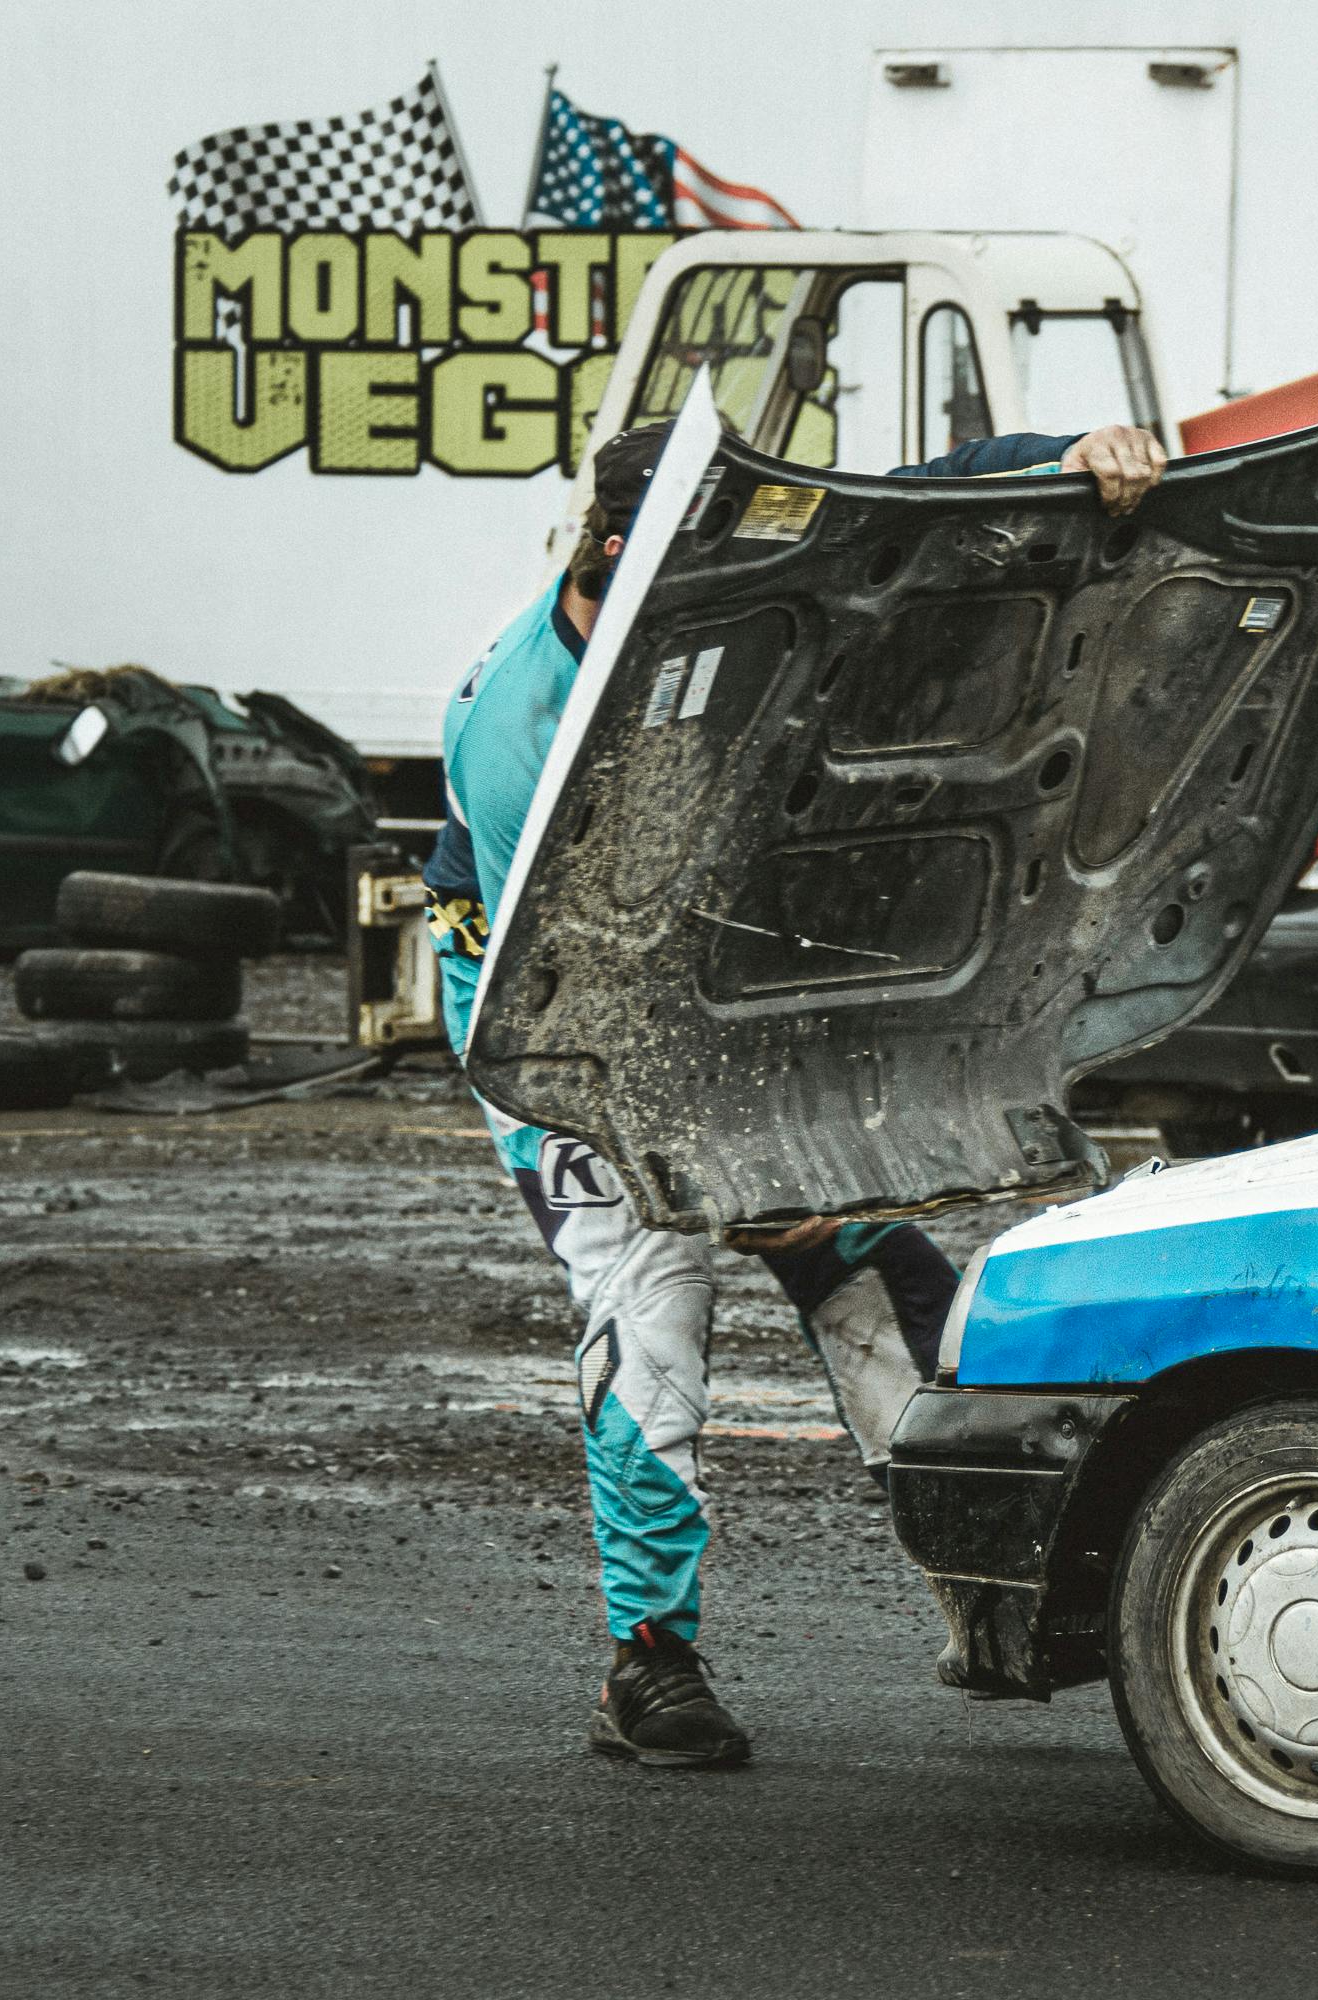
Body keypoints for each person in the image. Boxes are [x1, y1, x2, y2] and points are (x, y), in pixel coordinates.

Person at [424, 414, 1166, 1767]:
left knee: (864, 1253)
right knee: (655, 1285)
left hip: (724, 961)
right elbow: (593, 998)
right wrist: (717, 1158)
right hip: (544, 1008)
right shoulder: (521, 723)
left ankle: (1007, 1589)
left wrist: (1065, 457)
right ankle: (645, 1665)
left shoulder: (721, 596)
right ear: (612, 556)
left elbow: (904, 503)